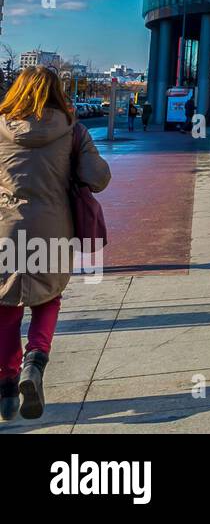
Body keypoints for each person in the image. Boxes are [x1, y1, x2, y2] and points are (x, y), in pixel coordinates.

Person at [0, 67, 112, 421]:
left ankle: (6, 388)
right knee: (48, 297)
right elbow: (99, 178)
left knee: (7, 303)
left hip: (5, 229)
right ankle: (36, 361)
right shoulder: (73, 130)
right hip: (52, 229)